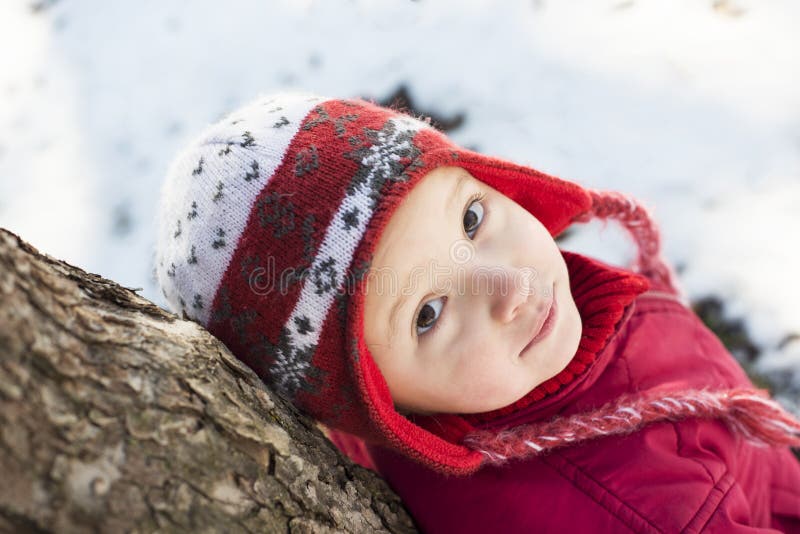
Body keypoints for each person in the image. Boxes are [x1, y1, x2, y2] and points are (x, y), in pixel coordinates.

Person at [154, 92, 800, 532]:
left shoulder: (507, 362)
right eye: (428, 314)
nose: (509, 285)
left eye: (470, 218)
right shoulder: (638, 507)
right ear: (377, 401)